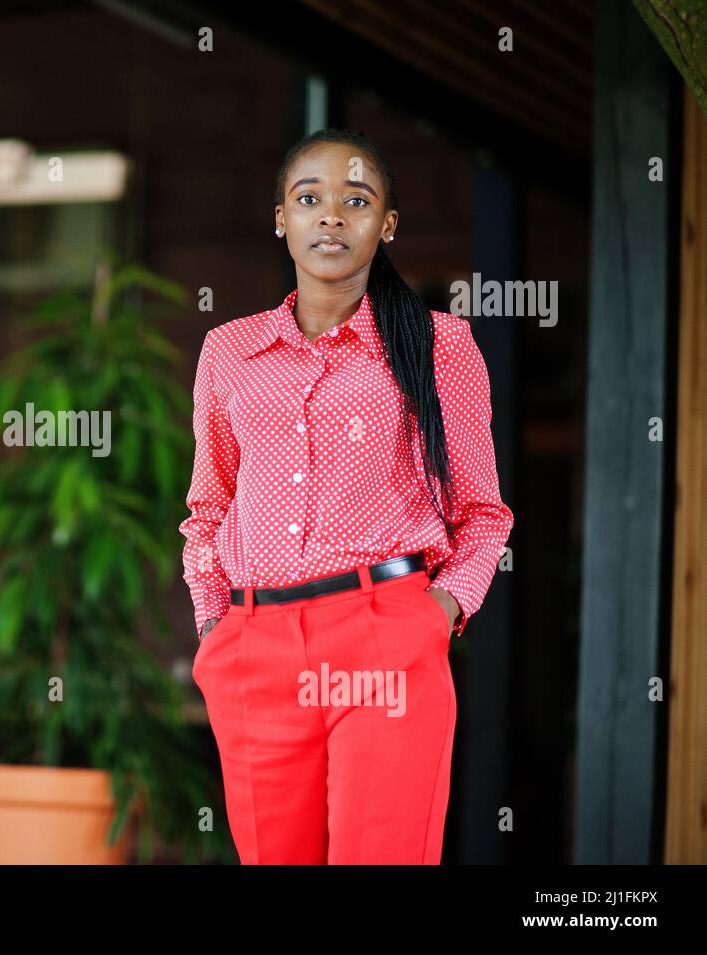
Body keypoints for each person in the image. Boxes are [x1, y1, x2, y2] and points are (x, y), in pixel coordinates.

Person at [179, 128, 513, 864]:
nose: (331, 216)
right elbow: (210, 505)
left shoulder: (438, 344)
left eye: (356, 201)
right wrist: (214, 624)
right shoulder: (228, 351)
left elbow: (483, 515)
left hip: (385, 635)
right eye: (310, 199)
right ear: (281, 219)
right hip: (254, 645)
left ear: (386, 225)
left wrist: (436, 613)